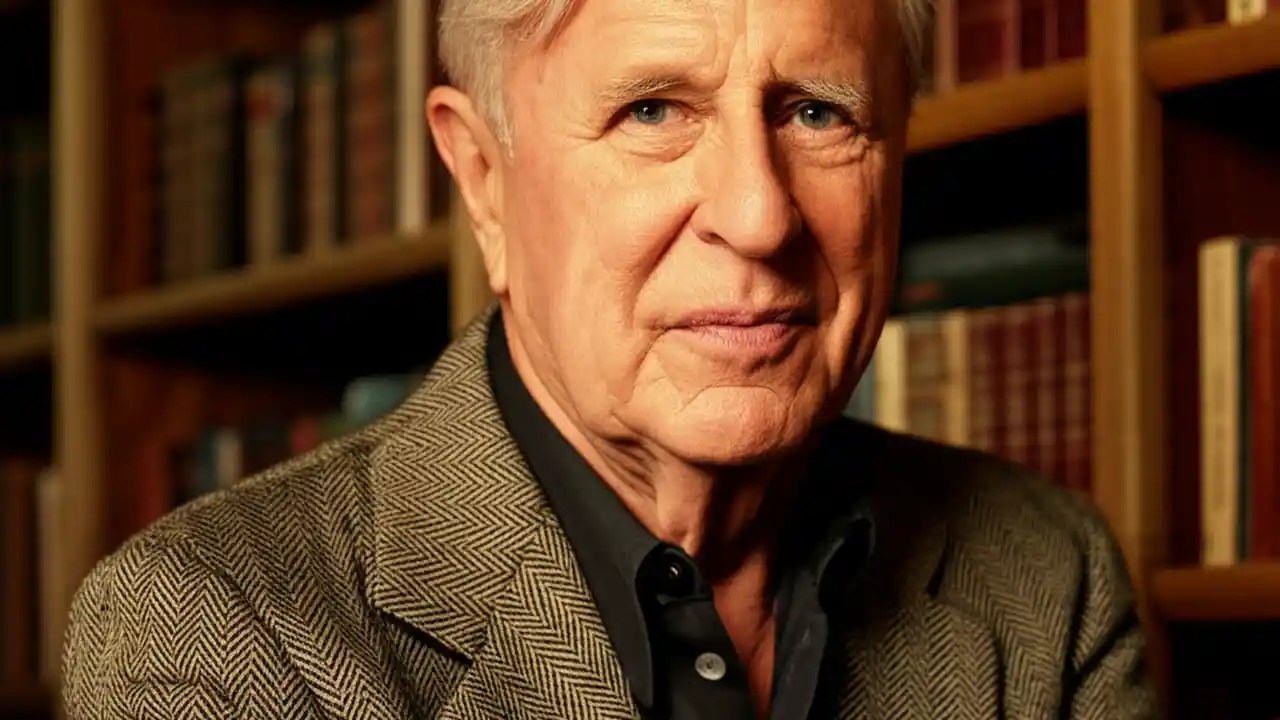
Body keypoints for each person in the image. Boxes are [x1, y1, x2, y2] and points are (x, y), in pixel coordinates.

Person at [62, 0, 1158, 717]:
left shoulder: (1041, 574)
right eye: (653, 111)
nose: (758, 215)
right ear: (483, 181)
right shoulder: (219, 623)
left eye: (818, 113)